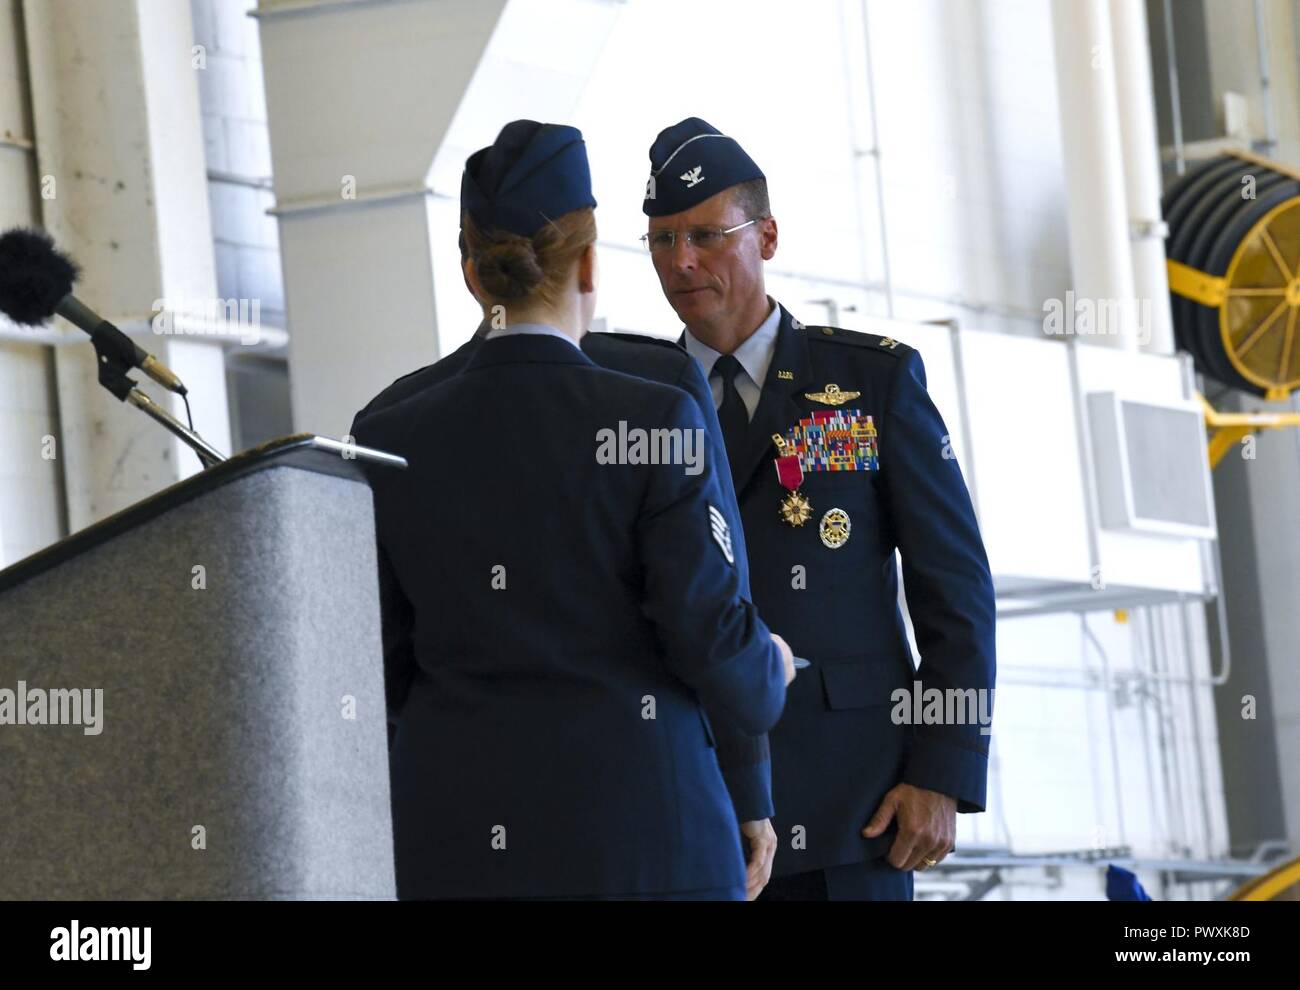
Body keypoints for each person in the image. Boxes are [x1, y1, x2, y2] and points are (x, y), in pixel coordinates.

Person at [353, 120, 794, 900]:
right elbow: (710, 633)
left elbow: (380, 663)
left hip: (455, 842)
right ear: (590, 261)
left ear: (471, 272)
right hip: (642, 839)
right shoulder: (655, 418)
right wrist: (773, 667)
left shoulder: (385, 433)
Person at [640, 117, 997, 901]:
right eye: (661, 241)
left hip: (855, 804)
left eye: (704, 234)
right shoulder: (635, 401)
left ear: (766, 236)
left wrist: (943, 768)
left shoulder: (870, 382)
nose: (682, 261)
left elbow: (954, 586)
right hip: (694, 799)